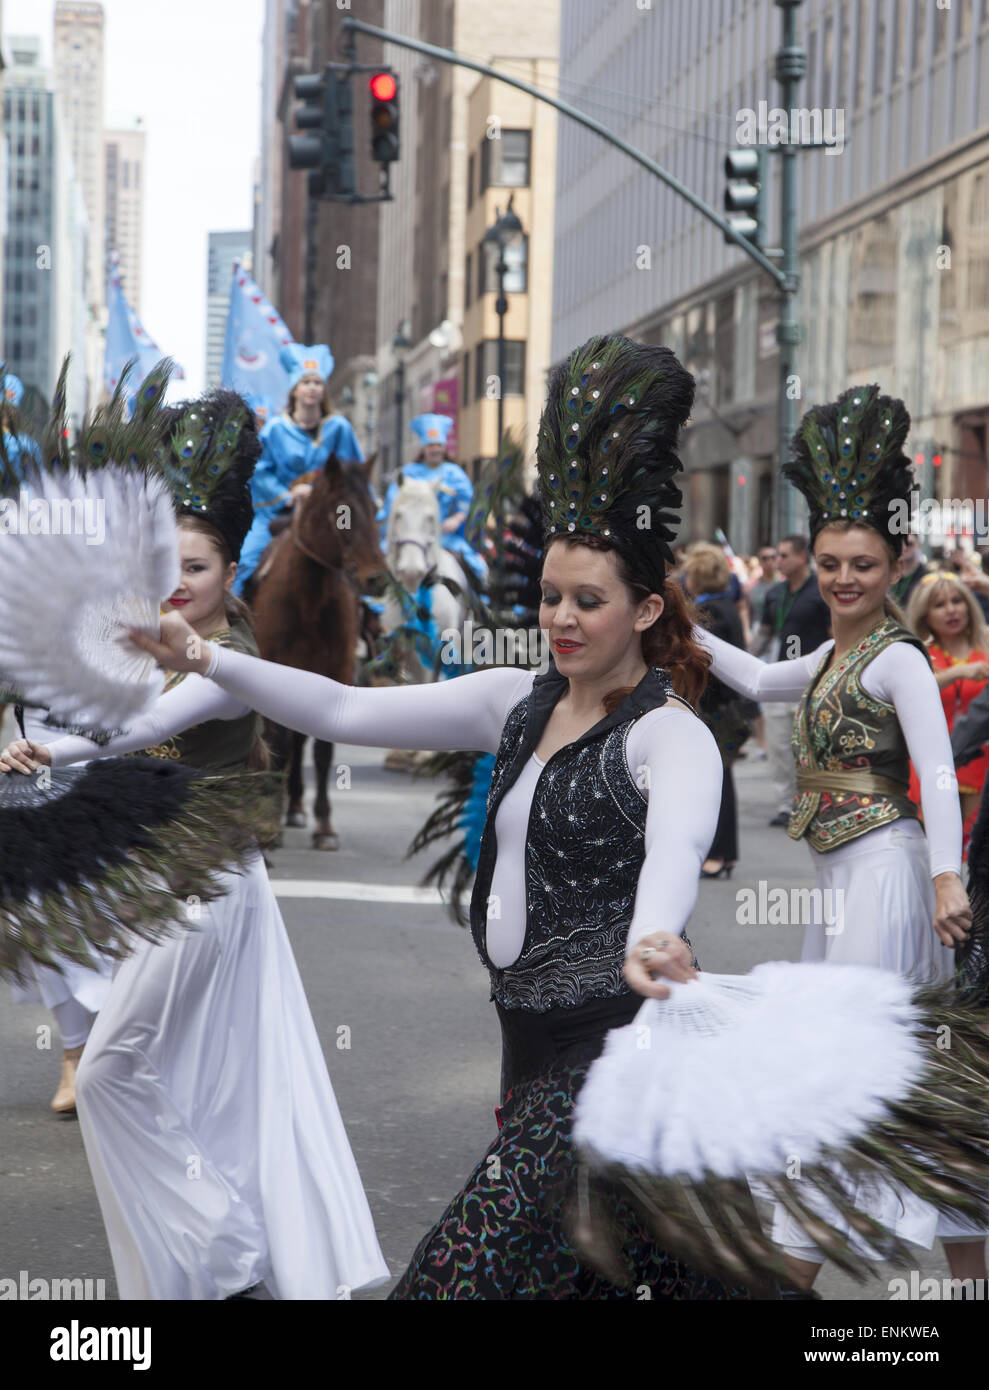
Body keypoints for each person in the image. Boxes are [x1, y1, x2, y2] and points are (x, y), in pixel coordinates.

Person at [131, 334, 752, 1301]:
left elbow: (671, 853)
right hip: (526, 1059)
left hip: (611, 1059)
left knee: (456, 1283)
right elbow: (339, 709)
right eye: (549, 596)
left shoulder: (670, 738)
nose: (561, 618)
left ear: (643, 610)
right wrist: (207, 658)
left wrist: (657, 937)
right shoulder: (514, 698)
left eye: (589, 600)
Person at [1, 388, 389, 1300]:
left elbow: (128, 731)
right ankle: (205, 1266)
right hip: (151, 879)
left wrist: (42, 748)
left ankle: (221, 1253)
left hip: (208, 886)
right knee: (186, 1078)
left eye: (199, 566)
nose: (178, 581)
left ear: (230, 569)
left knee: (106, 1074)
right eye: (164, 562)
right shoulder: (141, 637)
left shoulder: (231, 658)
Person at [691, 382, 981, 1293]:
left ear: (895, 562)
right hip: (840, 883)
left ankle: (794, 1271)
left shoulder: (895, 655)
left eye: (860, 562)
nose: (842, 578)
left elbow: (936, 773)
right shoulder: (827, 655)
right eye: (827, 563)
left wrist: (944, 878)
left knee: (842, 1077)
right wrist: (659, 607)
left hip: (889, 879)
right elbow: (749, 674)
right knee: (899, 1089)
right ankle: (956, 1271)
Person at [233, 343, 364, 596]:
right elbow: (259, 471)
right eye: (306, 382)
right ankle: (237, 626)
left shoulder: (339, 428)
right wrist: (288, 494)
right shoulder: (275, 429)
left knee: (359, 551)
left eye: (317, 382)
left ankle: (372, 618)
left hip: (336, 509)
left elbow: (353, 472)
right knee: (247, 560)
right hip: (279, 509)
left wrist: (326, 494)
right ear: (295, 389)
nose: (312, 388)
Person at [752, 535, 831, 826]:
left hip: (812, 677)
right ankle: (786, 805)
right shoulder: (775, 593)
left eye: (784, 556)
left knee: (808, 743)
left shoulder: (819, 590)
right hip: (780, 675)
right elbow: (765, 632)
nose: (778, 561)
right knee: (779, 743)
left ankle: (811, 802)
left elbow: (832, 631)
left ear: (801, 557)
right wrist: (745, 660)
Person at [906, 570, 989, 846]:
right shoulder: (917, 651)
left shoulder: (985, 641)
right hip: (932, 761)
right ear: (925, 614)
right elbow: (911, 688)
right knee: (934, 848)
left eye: (957, 600)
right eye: (939, 605)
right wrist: (959, 672)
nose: (951, 610)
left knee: (975, 846)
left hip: (980, 762)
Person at [683, 544, 749, 878]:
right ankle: (721, 852)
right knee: (719, 779)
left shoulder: (713, 612)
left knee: (717, 781)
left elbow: (707, 664)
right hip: (723, 707)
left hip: (716, 708)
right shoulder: (726, 607)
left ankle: (720, 853)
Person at [377, 413, 488, 584]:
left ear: (444, 447)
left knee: (474, 570)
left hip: (446, 538)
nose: (435, 449)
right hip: (409, 536)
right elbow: (393, 505)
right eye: (430, 445)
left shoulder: (455, 474)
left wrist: (457, 519)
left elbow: (469, 504)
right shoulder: (407, 473)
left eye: (438, 445)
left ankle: (474, 602)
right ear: (423, 448)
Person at [889, 531, 927, 609]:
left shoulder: (927, 578)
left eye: (910, 544)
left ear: (919, 545)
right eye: (901, 544)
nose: (905, 548)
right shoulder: (888, 576)